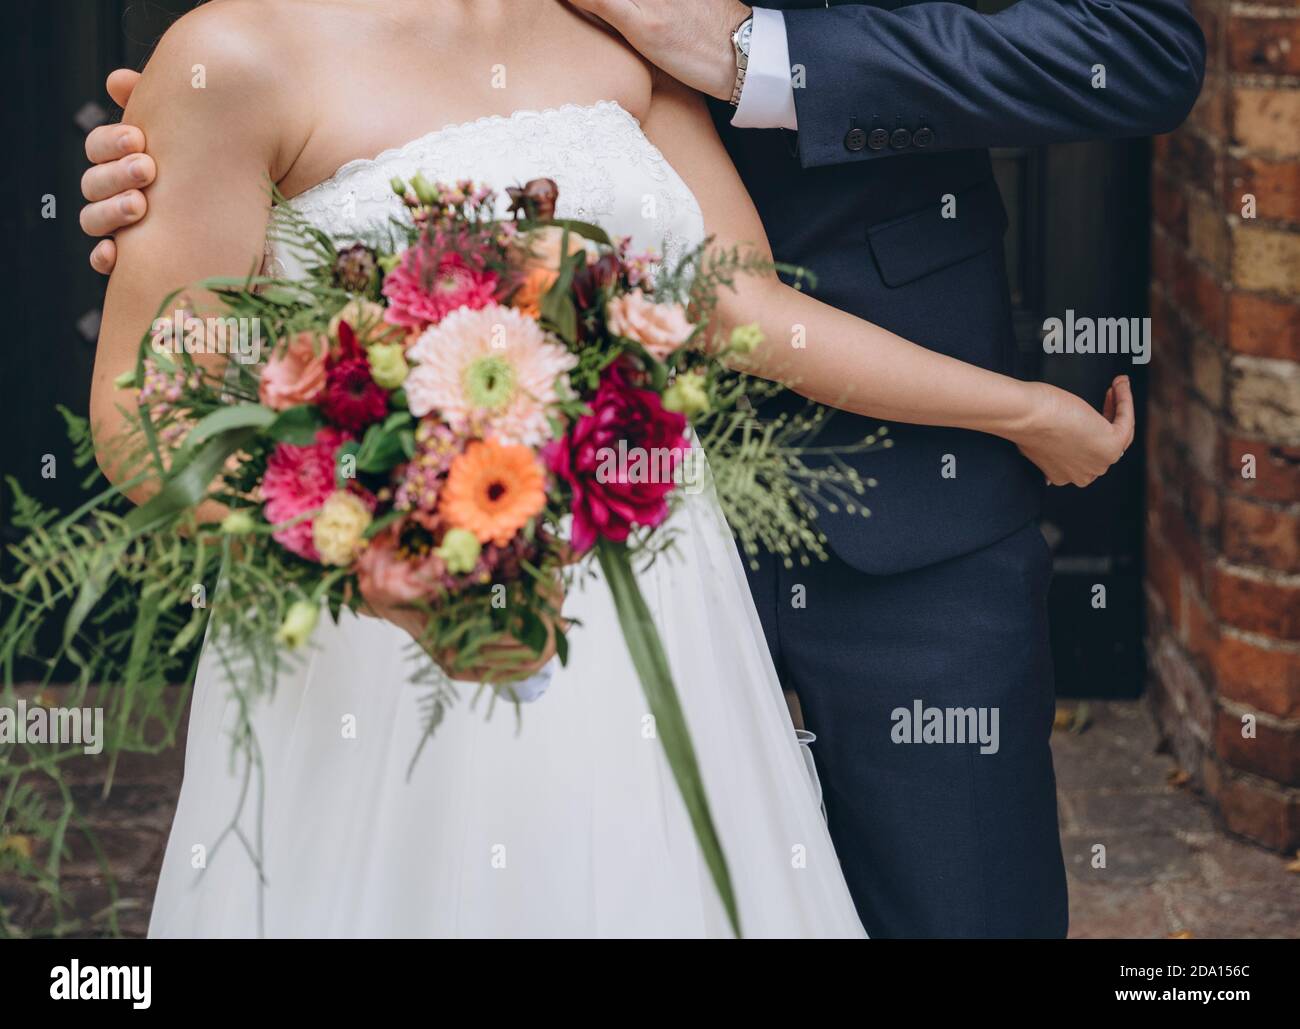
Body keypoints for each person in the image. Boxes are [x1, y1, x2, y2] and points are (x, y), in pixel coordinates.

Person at [82, 0, 1141, 937]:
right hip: (391, 631)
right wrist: (381, 568)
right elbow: (148, 413)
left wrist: (1020, 412)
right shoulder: (236, 52)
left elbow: (747, 310)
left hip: (664, 615)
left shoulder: (618, 29)